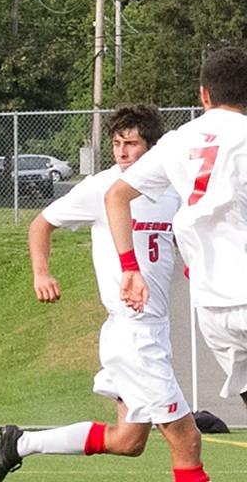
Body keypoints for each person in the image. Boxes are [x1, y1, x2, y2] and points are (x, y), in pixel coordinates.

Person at [0, 105, 209, 482]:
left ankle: (19, 444)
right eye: (117, 143)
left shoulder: (171, 188)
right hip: (134, 333)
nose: (122, 152)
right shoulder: (102, 187)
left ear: (152, 148)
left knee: (128, 440)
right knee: (186, 439)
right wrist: (42, 272)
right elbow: (41, 224)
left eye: (131, 144)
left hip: (153, 328)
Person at [106, 46, 247, 422]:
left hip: (214, 306)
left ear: (204, 94)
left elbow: (117, 196)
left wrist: (129, 267)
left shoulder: (178, 141)